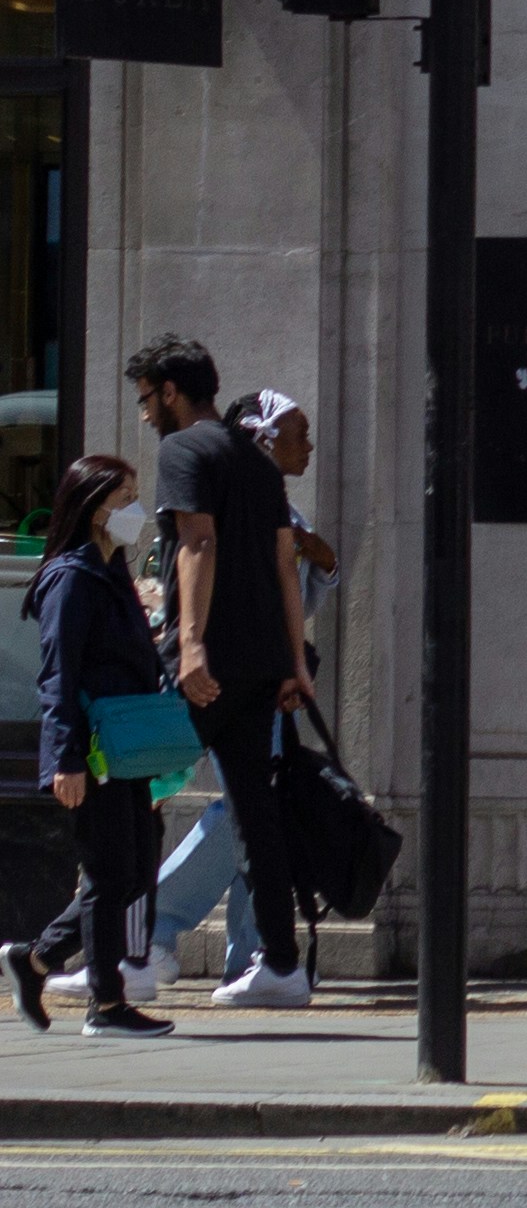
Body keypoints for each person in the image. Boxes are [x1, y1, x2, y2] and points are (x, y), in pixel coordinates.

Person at [122, 339, 311, 1012]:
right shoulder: (258, 463)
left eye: (147, 400)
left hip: (207, 669)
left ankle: (125, 959)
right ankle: (281, 966)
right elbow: (285, 564)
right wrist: (294, 663)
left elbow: (198, 541)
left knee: (128, 793)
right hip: (261, 667)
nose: (146, 414)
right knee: (256, 815)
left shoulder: (182, 451)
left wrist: (191, 646)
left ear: (171, 392)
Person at [14, 456, 175, 1035]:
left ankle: (35, 960)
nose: (135, 508)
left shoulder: (112, 574)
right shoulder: (72, 579)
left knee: (133, 873)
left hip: (127, 748)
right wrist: (66, 757)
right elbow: (57, 676)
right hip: (92, 749)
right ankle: (105, 1005)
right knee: (109, 875)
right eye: (124, 497)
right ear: (93, 507)